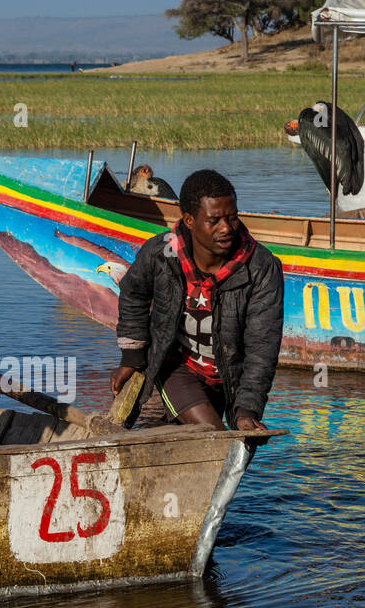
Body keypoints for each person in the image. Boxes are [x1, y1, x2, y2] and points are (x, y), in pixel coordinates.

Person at [110, 169, 283, 432]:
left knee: (227, 437)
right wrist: (132, 357)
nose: (226, 229)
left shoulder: (261, 267)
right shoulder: (160, 254)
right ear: (189, 220)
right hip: (177, 367)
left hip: (227, 376)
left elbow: (262, 347)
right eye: (214, 221)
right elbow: (134, 294)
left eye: (232, 218)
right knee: (213, 435)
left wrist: (247, 409)